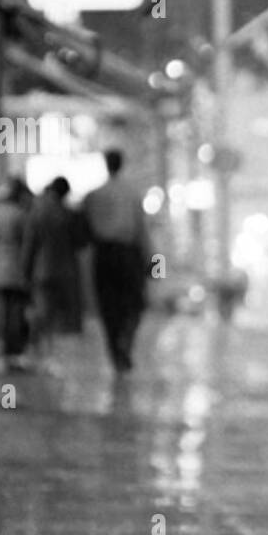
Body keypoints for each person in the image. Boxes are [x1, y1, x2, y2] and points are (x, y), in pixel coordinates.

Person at [82, 150, 151, 372]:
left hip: (103, 256)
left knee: (108, 306)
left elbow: (85, 231)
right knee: (134, 305)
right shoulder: (132, 194)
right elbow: (143, 233)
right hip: (128, 255)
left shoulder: (93, 195)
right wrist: (155, 268)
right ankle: (125, 343)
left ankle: (116, 351)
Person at [23, 176, 87, 359]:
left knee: (42, 313)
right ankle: (53, 354)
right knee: (59, 318)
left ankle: (39, 352)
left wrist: (25, 270)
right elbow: (80, 242)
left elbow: (30, 245)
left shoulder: (38, 213)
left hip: (42, 270)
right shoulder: (67, 214)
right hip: (65, 271)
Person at [0, 176, 33, 370]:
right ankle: (14, 350)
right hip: (17, 266)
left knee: (1, 308)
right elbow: (27, 243)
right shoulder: (21, 214)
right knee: (16, 309)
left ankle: (2, 347)